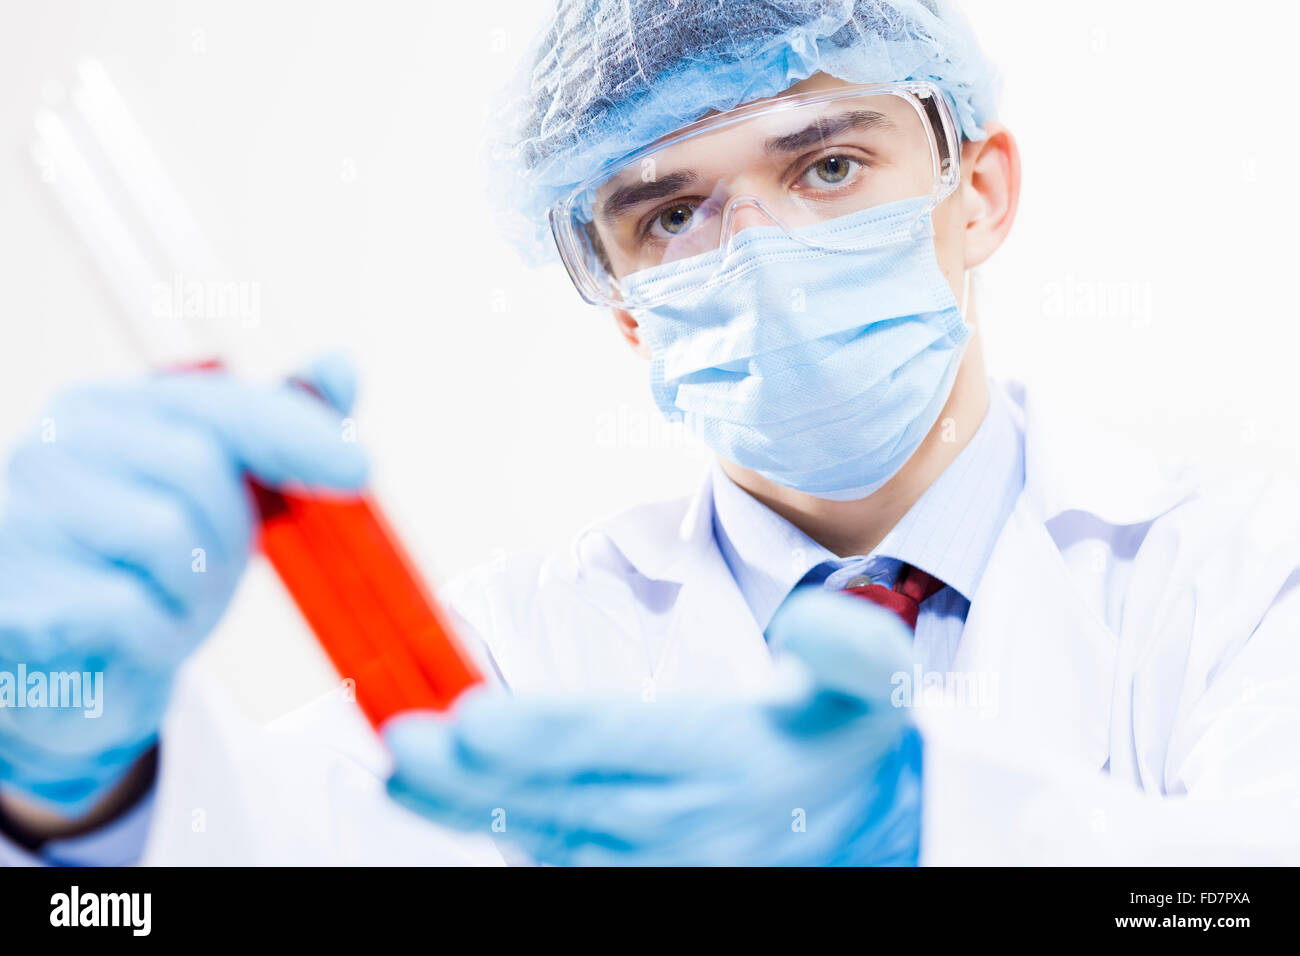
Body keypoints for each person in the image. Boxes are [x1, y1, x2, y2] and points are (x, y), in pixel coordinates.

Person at [2, 0, 1298, 866]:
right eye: (671, 216)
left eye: (828, 167)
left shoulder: (1238, 579)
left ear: (981, 193)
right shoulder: (505, 656)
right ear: (626, 306)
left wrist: (927, 825)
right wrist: (70, 786)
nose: (758, 257)